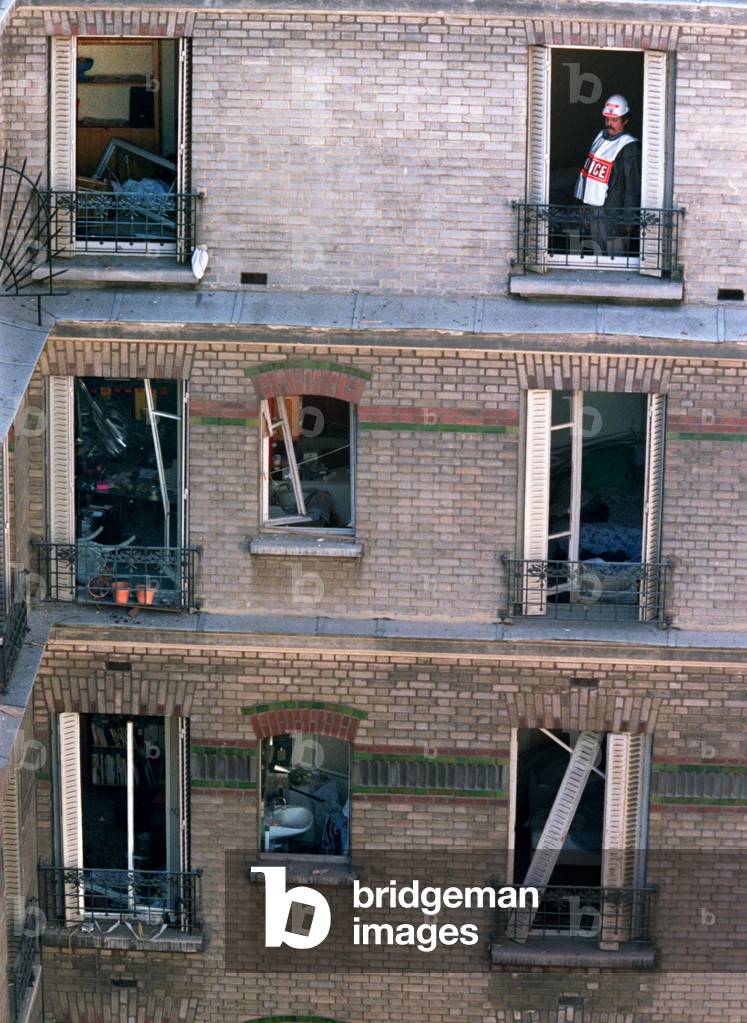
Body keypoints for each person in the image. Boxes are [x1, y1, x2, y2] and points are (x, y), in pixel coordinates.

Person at [575, 94, 641, 257]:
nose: (609, 123)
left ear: (625, 121)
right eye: (607, 119)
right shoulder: (600, 137)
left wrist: (628, 219)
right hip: (595, 211)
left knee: (615, 258)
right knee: (599, 256)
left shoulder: (629, 146)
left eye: (614, 120)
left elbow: (632, 187)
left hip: (614, 215)